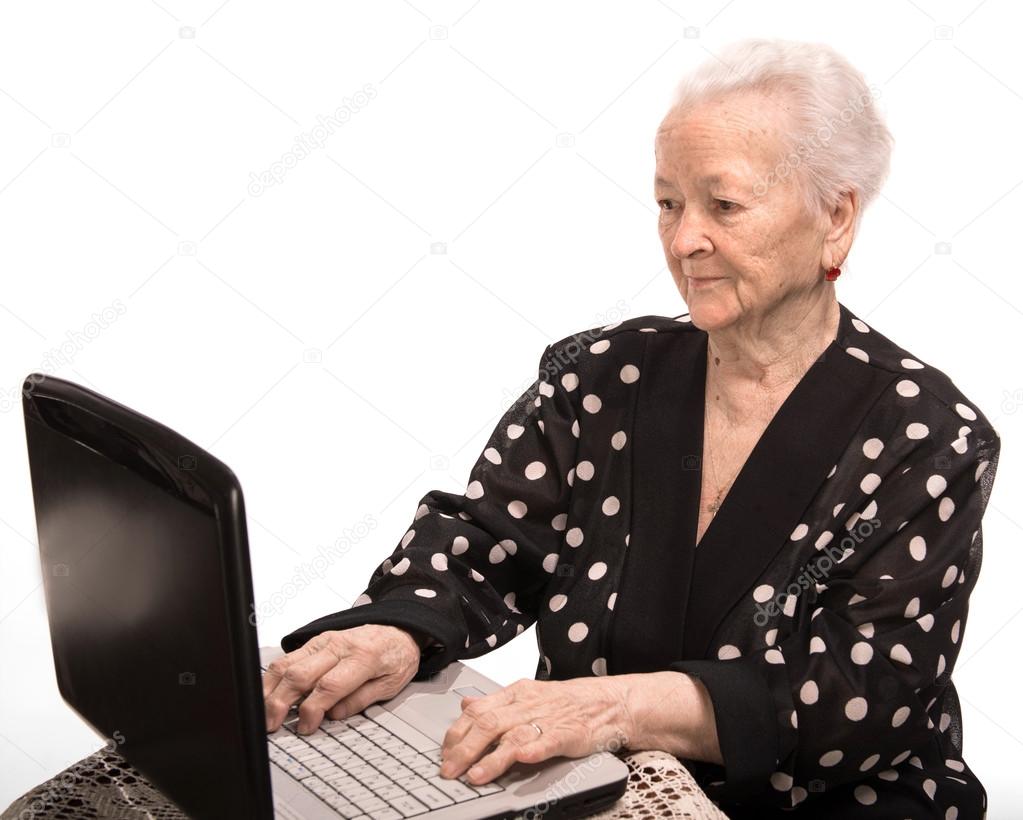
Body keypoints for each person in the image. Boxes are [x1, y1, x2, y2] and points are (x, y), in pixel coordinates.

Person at [262, 38, 1000, 818]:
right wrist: (398, 633)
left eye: (724, 205)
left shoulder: (930, 434)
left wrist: (612, 709)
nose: (683, 241)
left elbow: (862, 691)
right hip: (591, 788)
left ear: (835, 215)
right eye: (668, 202)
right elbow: (484, 541)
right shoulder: (602, 373)